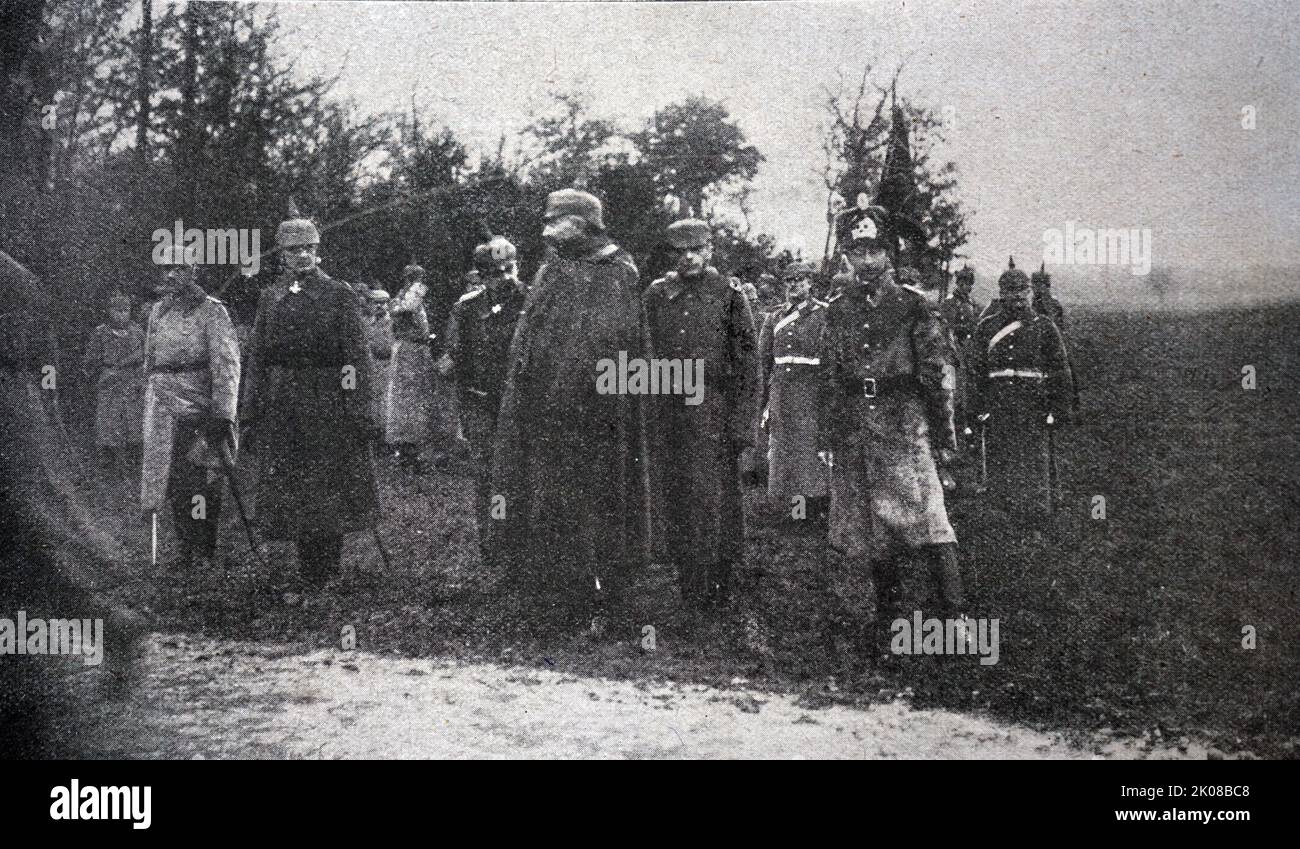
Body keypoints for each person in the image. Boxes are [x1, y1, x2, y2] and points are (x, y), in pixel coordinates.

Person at [485, 189, 652, 630]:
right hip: (544, 416)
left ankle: (599, 598)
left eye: (555, 222)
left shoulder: (617, 272)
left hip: (594, 420)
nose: (545, 231)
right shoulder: (551, 269)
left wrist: (584, 397)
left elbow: (615, 348)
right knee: (548, 505)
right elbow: (531, 337)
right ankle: (554, 596)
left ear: (582, 224)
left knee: (595, 508)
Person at [818, 204, 965, 633]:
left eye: (874, 251)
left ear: (890, 255)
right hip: (857, 428)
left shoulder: (913, 306)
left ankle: (954, 620)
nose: (865, 261)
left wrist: (943, 435)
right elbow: (830, 373)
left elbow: (937, 373)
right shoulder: (838, 308)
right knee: (872, 528)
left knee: (930, 520)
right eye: (856, 252)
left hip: (904, 424)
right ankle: (891, 620)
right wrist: (830, 431)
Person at [241, 213, 380, 589]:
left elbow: (355, 358)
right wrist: (251, 408)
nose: (302, 255)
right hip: (283, 401)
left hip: (327, 400)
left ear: (318, 252)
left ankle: (327, 568)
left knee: (325, 484)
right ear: (281, 255)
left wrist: (357, 408)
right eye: (293, 250)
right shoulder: (271, 298)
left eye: (309, 248)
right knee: (294, 484)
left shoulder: (339, 295)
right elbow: (257, 358)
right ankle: (307, 567)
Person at [643, 219, 758, 609]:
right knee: (675, 495)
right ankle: (688, 578)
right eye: (680, 251)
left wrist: (742, 424)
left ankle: (718, 579)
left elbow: (747, 364)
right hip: (669, 409)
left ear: (710, 250)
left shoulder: (728, 295)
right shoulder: (658, 295)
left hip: (712, 411)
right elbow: (645, 352)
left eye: (697, 249)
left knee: (713, 498)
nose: (689, 257)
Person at [140, 245, 241, 572]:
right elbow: (150, 361)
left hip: (199, 407)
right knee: (172, 481)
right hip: (163, 407)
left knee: (201, 479)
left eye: (179, 268)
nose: (171, 274)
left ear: (194, 271)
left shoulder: (212, 311)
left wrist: (223, 413)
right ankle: (184, 547)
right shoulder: (158, 311)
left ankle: (204, 547)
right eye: (167, 268)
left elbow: (226, 365)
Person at [968, 259, 1076, 523]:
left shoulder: (1045, 327)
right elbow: (975, 373)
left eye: (1022, 291)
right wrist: (975, 409)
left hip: (1034, 402)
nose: (1017, 297)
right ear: (1001, 294)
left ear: (1030, 293)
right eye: (1011, 291)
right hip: (999, 401)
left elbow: (1060, 372)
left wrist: (1058, 408)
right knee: (1000, 454)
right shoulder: (987, 327)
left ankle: (1037, 509)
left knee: (1035, 456)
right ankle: (1001, 509)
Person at [439, 236, 525, 535]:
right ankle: (495, 533)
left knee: (522, 471)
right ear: (482, 276)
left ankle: (520, 534)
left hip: (522, 403)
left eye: (509, 269)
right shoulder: (466, 309)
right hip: (481, 404)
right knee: (489, 473)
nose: (505, 278)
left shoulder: (532, 303)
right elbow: (451, 358)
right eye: (495, 272)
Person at [757, 260, 829, 526]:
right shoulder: (774, 317)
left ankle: (812, 509)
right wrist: (765, 399)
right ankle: (792, 510)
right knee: (784, 454)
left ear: (810, 283)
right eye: (789, 281)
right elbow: (764, 361)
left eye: (800, 280)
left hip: (810, 393)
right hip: (781, 394)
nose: (794, 286)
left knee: (809, 455)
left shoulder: (823, 314)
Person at [82, 291, 144, 482]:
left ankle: (133, 459)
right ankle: (108, 461)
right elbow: (91, 358)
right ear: (109, 311)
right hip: (109, 380)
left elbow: (147, 354)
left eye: (125, 310)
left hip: (133, 380)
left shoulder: (138, 331)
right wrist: (94, 373)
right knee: (109, 420)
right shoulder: (101, 332)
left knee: (134, 420)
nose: (121, 314)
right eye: (117, 310)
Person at [385, 264, 435, 470]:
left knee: (412, 399)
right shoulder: (410, 294)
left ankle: (411, 448)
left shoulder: (403, 296)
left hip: (415, 349)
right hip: (409, 350)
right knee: (408, 399)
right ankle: (408, 449)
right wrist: (416, 288)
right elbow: (407, 308)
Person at [1031, 262, 1066, 331]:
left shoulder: (1050, 303)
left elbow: (1053, 323)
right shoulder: (1035, 301)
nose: (1033, 288)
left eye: (1035, 285)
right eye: (1033, 285)